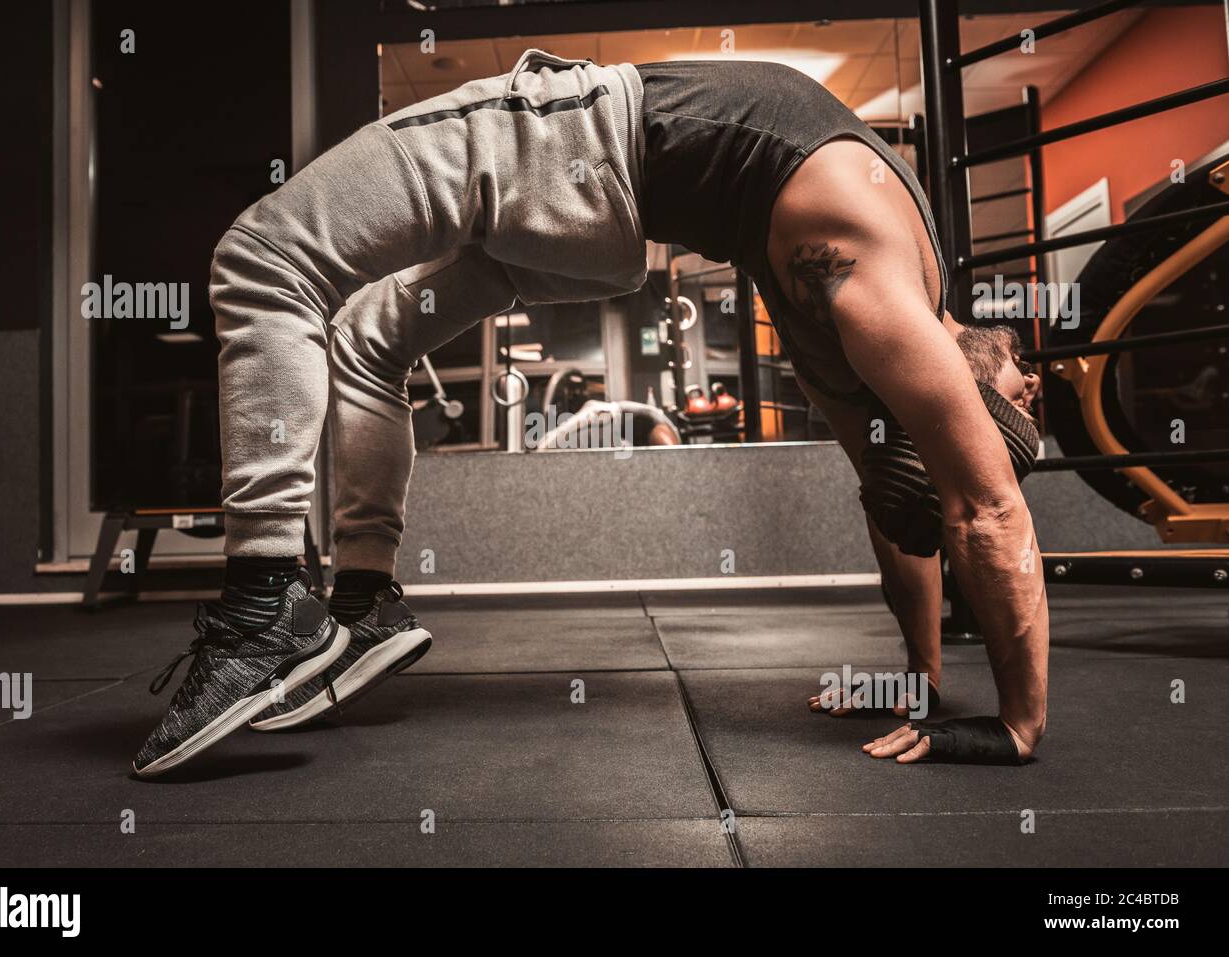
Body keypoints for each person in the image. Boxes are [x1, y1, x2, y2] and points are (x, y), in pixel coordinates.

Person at [133, 51, 1047, 776]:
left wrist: (1014, 724)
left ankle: (261, 609)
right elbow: (932, 507)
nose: (1029, 380)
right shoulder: (885, 318)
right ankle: (362, 605)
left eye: (1016, 392)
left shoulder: (878, 291)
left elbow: (979, 507)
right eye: (1023, 379)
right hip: (610, 214)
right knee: (369, 339)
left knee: (260, 258)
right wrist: (922, 679)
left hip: (577, 151)